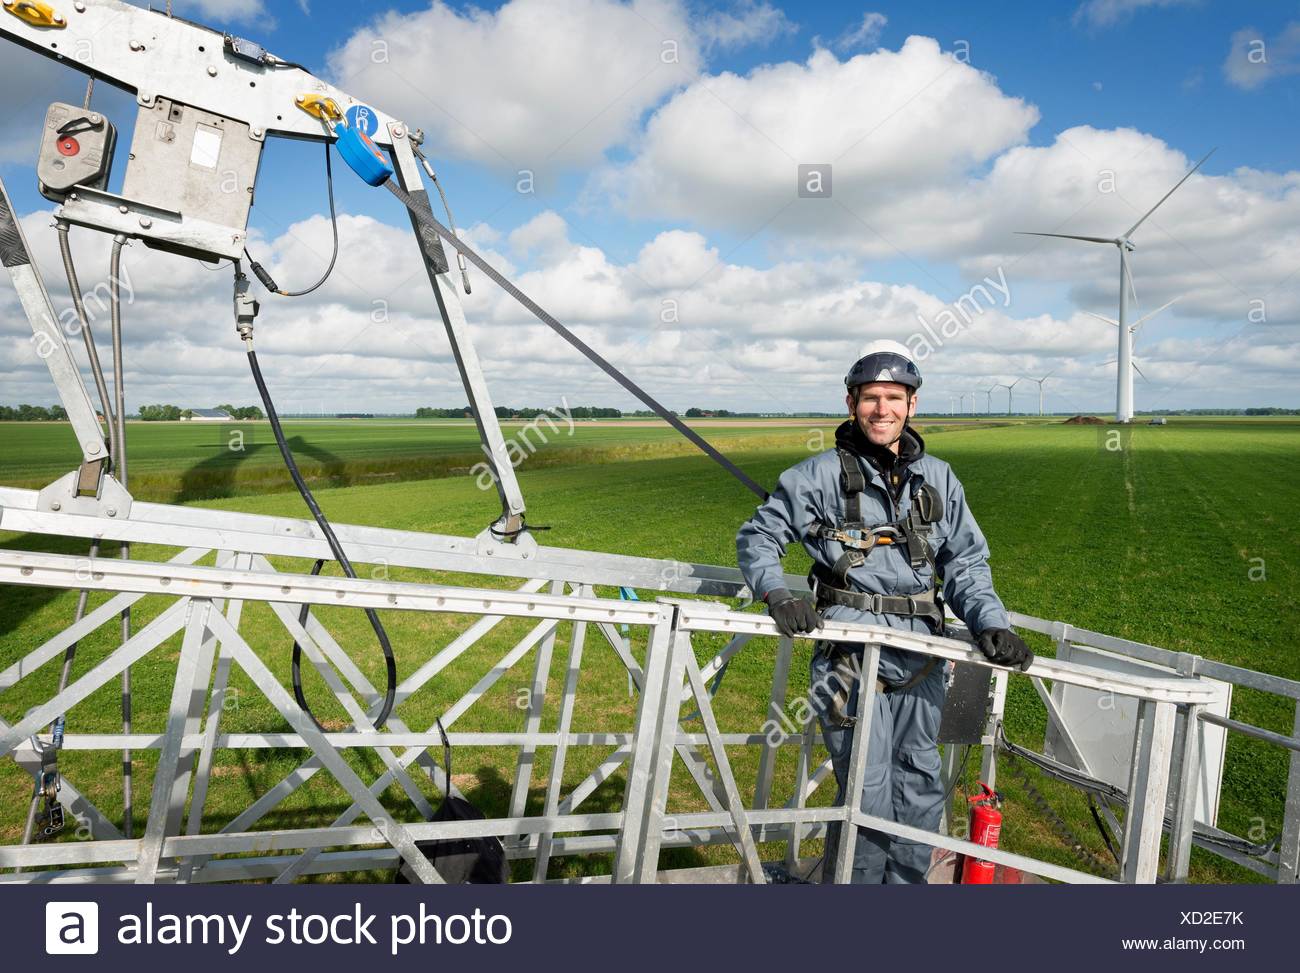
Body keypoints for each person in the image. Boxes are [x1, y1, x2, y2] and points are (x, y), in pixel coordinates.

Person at [735, 339, 1032, 884]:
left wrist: (991, 623)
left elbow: (965, 563)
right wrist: (777, 593)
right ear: (851, 402)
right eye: (871, 397)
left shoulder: (939, 480)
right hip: (853, 660)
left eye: (894, 397)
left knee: (919, 789)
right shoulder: (817, 476)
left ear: (912, 405)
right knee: (865, 799)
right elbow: (759, 536)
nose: (882, 409)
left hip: (923, 657)